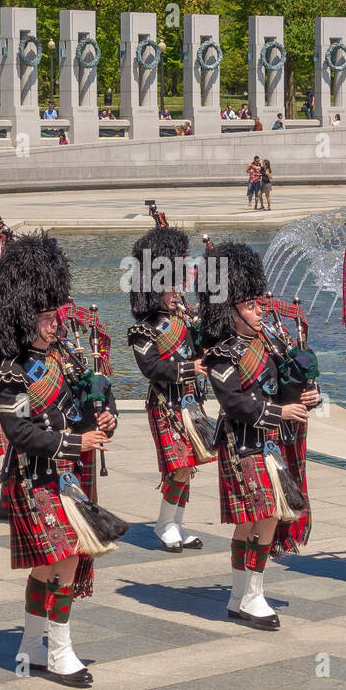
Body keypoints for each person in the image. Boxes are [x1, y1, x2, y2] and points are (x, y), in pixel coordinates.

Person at [0, 232, 120, 686]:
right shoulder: (10, 373)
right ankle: (60, 651)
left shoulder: (65, 358)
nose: (54, 324)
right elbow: (20, 432)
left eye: (53, 315)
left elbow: (90, 398)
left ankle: (29, 647)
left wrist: (105, 415)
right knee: (65, 557)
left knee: (52, 563)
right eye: (44, 318)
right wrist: (73, 445)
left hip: (64, 477)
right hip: (32, 475)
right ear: (25, 318)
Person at [200, 241, 318, 630]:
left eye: (256, 304)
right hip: (240, 441)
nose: (259, 311)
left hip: (269, 442)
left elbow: (281, 388)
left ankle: (245, 595)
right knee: (261, 514)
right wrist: (279, 411)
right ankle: (248, 595)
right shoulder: (221, 354)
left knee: (266, 517)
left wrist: (305, 397)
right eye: (250, 306)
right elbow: (234, 403)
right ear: (229, 311)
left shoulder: (269, 343)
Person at [127, 226, 205, 553]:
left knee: (189, 466)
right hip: (164, 404)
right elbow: (152, 369)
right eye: (170, 286)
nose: (177, 290)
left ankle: (175, 523)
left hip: (189, 403)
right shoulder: (142, 330)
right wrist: (191, 368)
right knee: (179, 467)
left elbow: (199, 349)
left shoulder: (183, 319)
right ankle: (164, 524)